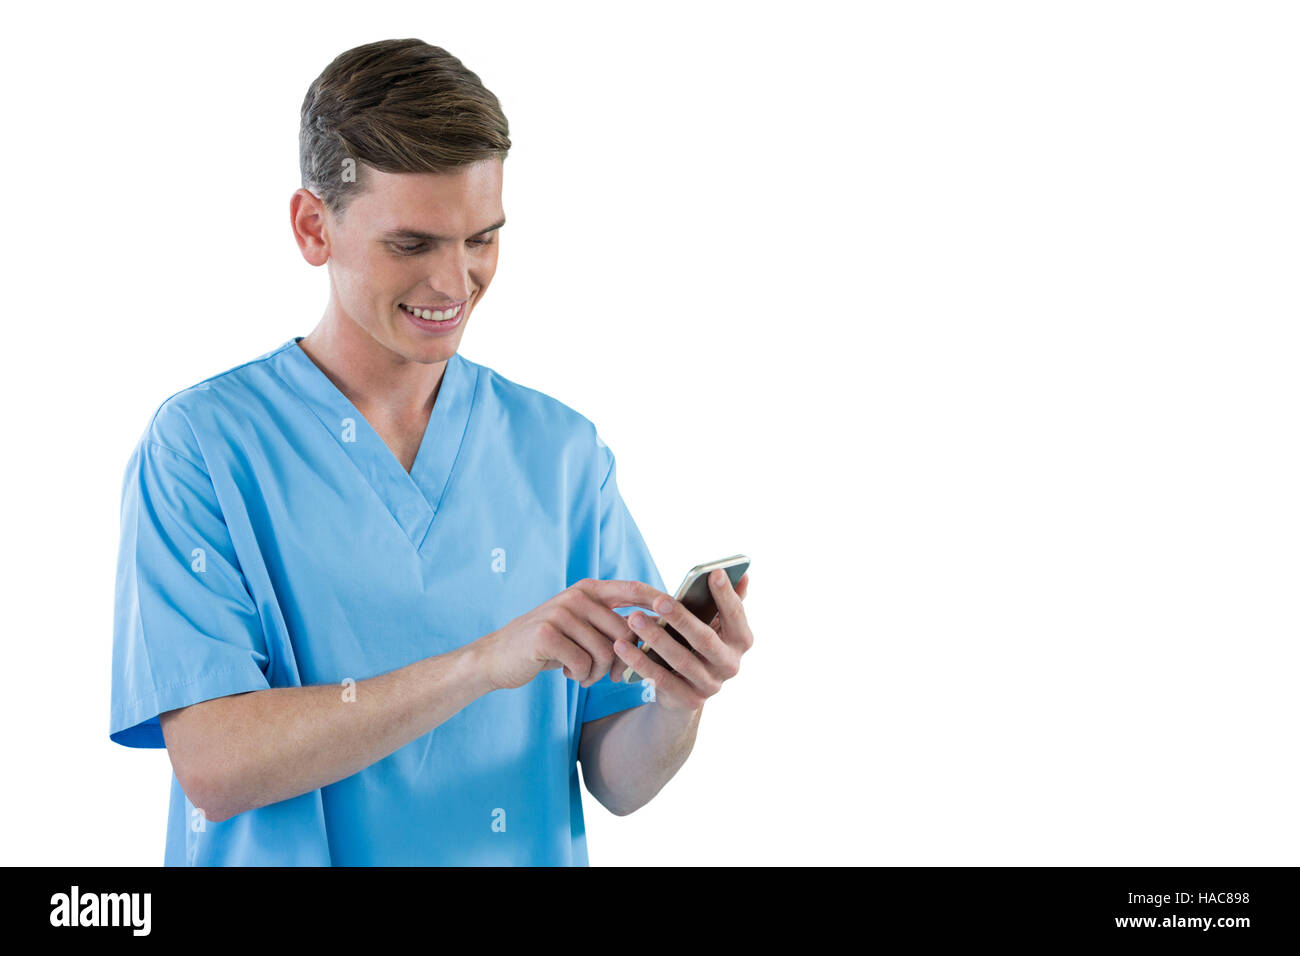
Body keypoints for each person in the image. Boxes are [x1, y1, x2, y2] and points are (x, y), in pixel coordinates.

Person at [109, 37, 753, 866]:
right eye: (413, 244)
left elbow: (618, 779)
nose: (455, 284)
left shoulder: (560, 454)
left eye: (481, 239)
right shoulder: (203, 447)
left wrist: (676, 701)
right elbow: (217, 765)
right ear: (314, 227)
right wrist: (486, 661)